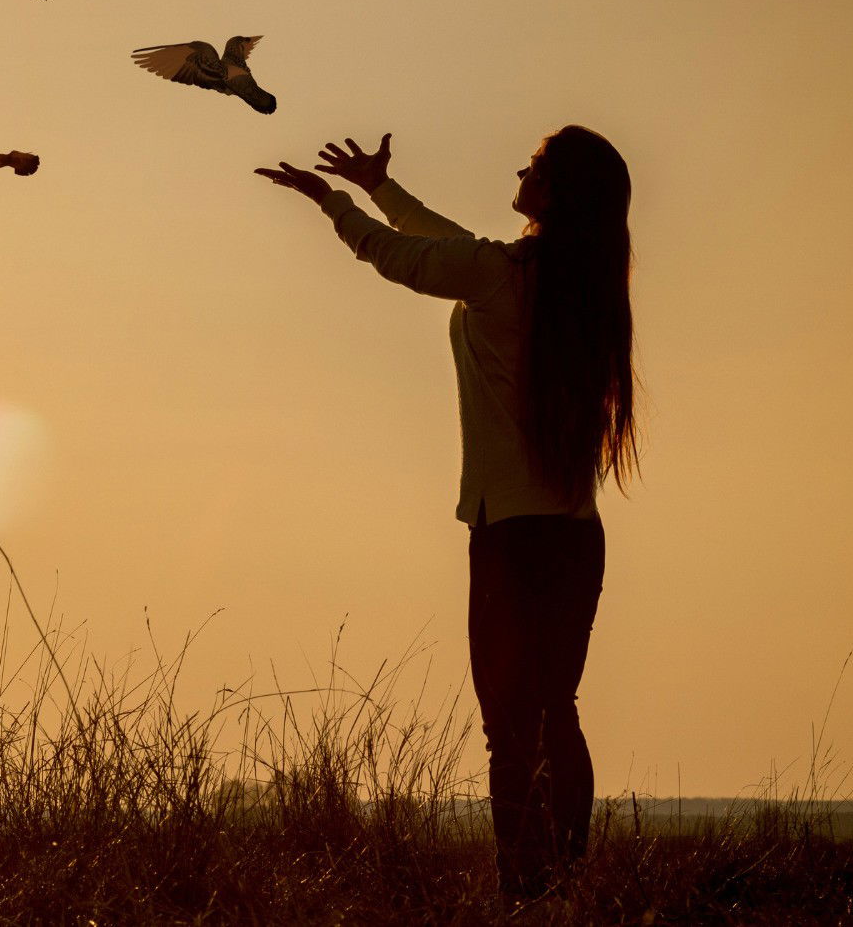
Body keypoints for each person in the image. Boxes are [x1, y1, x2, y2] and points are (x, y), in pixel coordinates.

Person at [255, 128, 639, 899]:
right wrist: (380, 191)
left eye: (533, 165)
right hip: (573, 535)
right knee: (555, 712)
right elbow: (452, 244)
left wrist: (332, 200)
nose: (520, 168)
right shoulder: (572, 283)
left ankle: (525, 891)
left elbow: (408, 259)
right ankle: (562, 884)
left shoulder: (500, 275)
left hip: (510, 536)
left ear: (557, 192)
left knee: (509, 726)